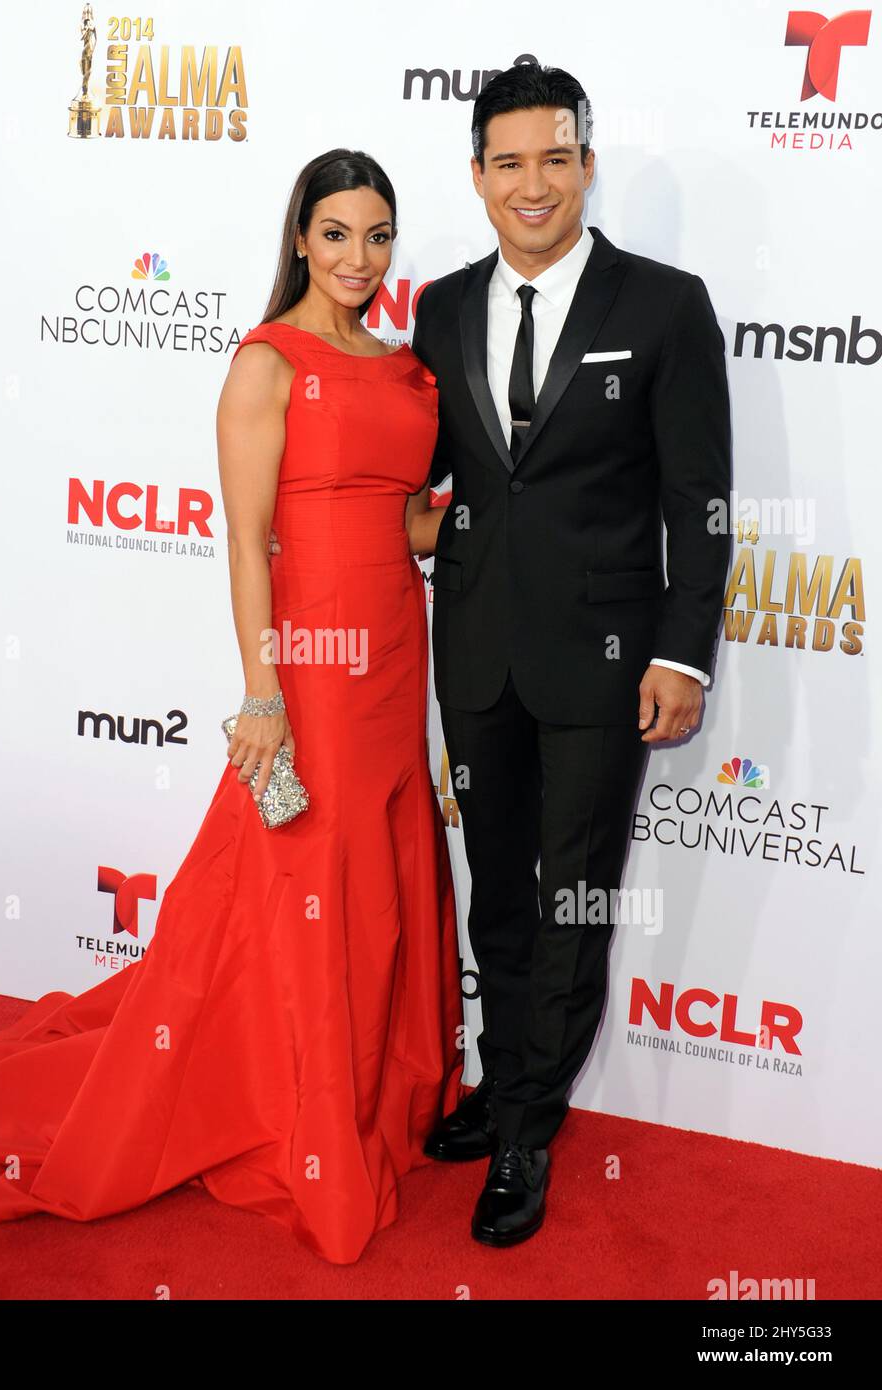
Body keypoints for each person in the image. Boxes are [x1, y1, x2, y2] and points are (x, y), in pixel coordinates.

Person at [0, 149, 464, 1267]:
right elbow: (248, 540)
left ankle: (363, 1103)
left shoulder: (409, 373)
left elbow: (401, 524)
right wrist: (262, 689)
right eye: (334, 235)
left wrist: (497, 517)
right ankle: (302, 1122)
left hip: (391, 660)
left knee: (374, 882)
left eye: (375, 236)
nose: (357, 259)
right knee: (307, 878)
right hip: (308, 666)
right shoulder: (266, 365)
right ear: (298, 240)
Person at [410, 63, 732, 1246]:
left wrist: (681, 655)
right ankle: (502, 1080)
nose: (531, 183)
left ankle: (525, 1133)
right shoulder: (438, 306)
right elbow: (439, 474)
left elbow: (698, 496)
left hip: (606, 662)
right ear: (478, 176)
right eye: (507, 162)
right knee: (495, 884)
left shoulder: (662, 304)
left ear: (585, 164)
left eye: (554, 157)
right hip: (477, 650)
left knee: (572, 893)